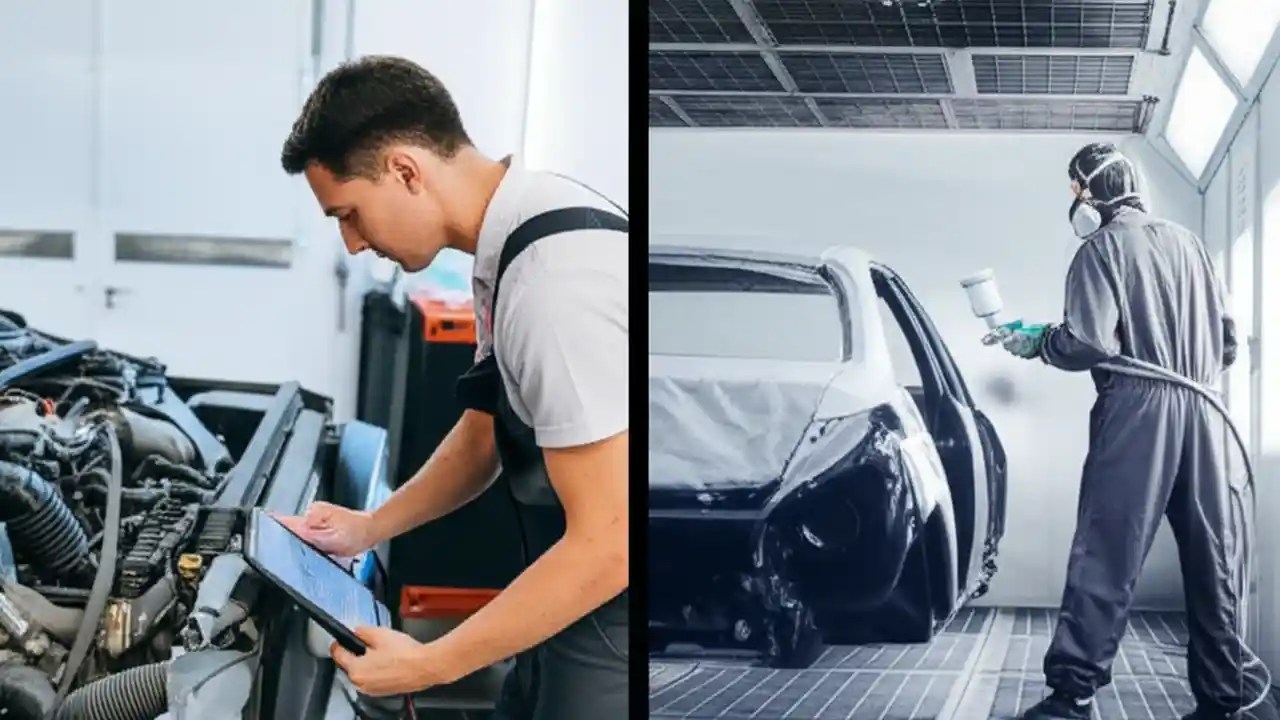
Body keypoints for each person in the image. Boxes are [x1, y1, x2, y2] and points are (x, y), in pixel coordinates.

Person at [272, 55, 629, 719]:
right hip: (563, 608)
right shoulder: (515, 236)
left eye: (349, 214)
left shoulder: (554, 287)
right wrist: (369, 528)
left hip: (609, 623)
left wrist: (432, 661)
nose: (351, 244)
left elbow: (613, 540)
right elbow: (484, 433)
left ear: (406, 170)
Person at [1000, 142, 1275, 720]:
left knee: (1107, 550)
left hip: (1138, 410)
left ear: (1088, 195)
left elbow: (1089, 344)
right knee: (1214, 557)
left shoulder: (1099, 248)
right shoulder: (1192, 245)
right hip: (1204, 408)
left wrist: (1042, 343)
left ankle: (1071, 695)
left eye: (1074, 191)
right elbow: (1227, 343)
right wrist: (1185, 360)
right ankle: (1223, 698)